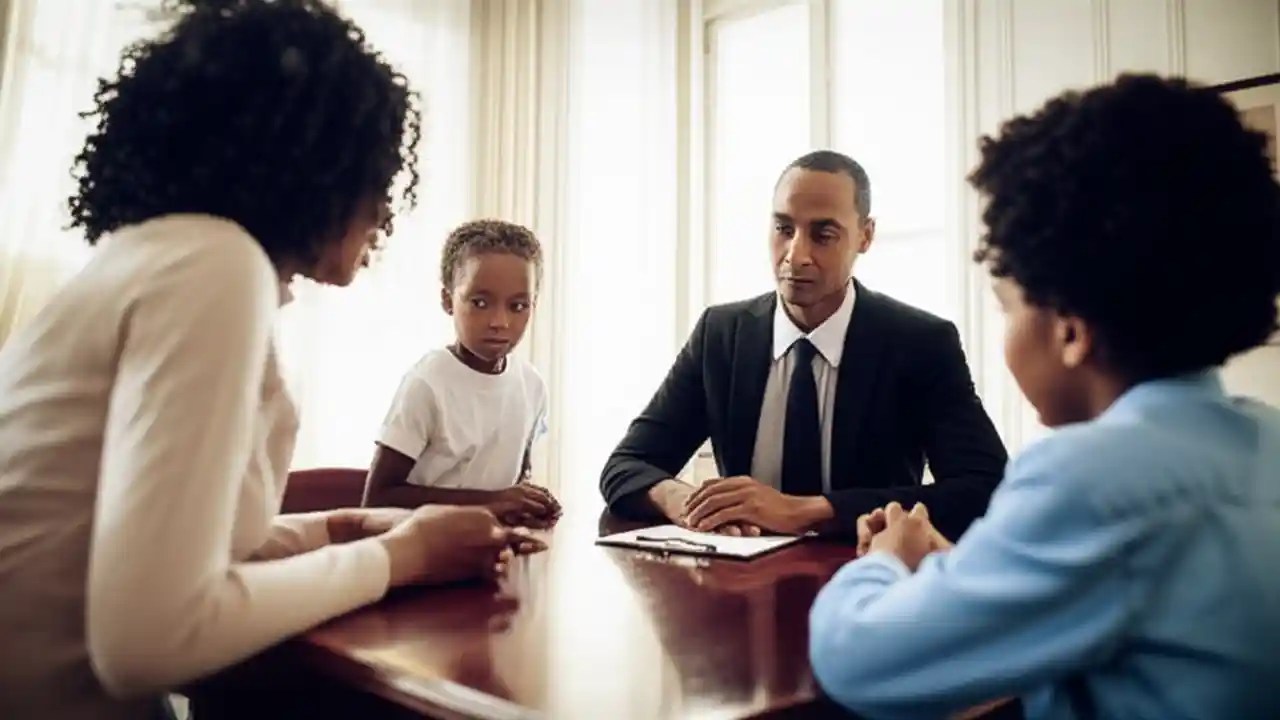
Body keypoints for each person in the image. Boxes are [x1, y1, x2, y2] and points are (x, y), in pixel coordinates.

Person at [0, 3, 542, 719]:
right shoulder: (212, 267)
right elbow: (150, 638)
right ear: (311, 159)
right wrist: (401, 558)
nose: (385, 203)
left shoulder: (155, 259)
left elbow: (153, 549)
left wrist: (331, 530)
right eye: (374, 166)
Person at [809, 74, 1280, 720]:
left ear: (1070, 330)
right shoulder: (1264, 445)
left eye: (1007, 308)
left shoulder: (1091, 480)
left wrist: (886, 565)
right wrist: (958, 572)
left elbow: (851, 656)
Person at [600, 150, 1007, 539]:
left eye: (823, 234)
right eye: (783, 229)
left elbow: (984, 489)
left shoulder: (920, 343)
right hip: (740, 585)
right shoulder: (720, 334)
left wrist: (805, 511)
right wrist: (688, 501)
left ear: (865, 236)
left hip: (866, 580)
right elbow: (626, 465)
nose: (796, 255)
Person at [362, 220, 561, 528]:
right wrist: (493, 503)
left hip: (488, 550)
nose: (500, 321)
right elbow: (377, 498)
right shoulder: (427, 384)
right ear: (448, 300)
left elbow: (516, 481)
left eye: (518, 306)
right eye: (480, 303)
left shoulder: (531, 386)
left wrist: (528, 504)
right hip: (418, 555)